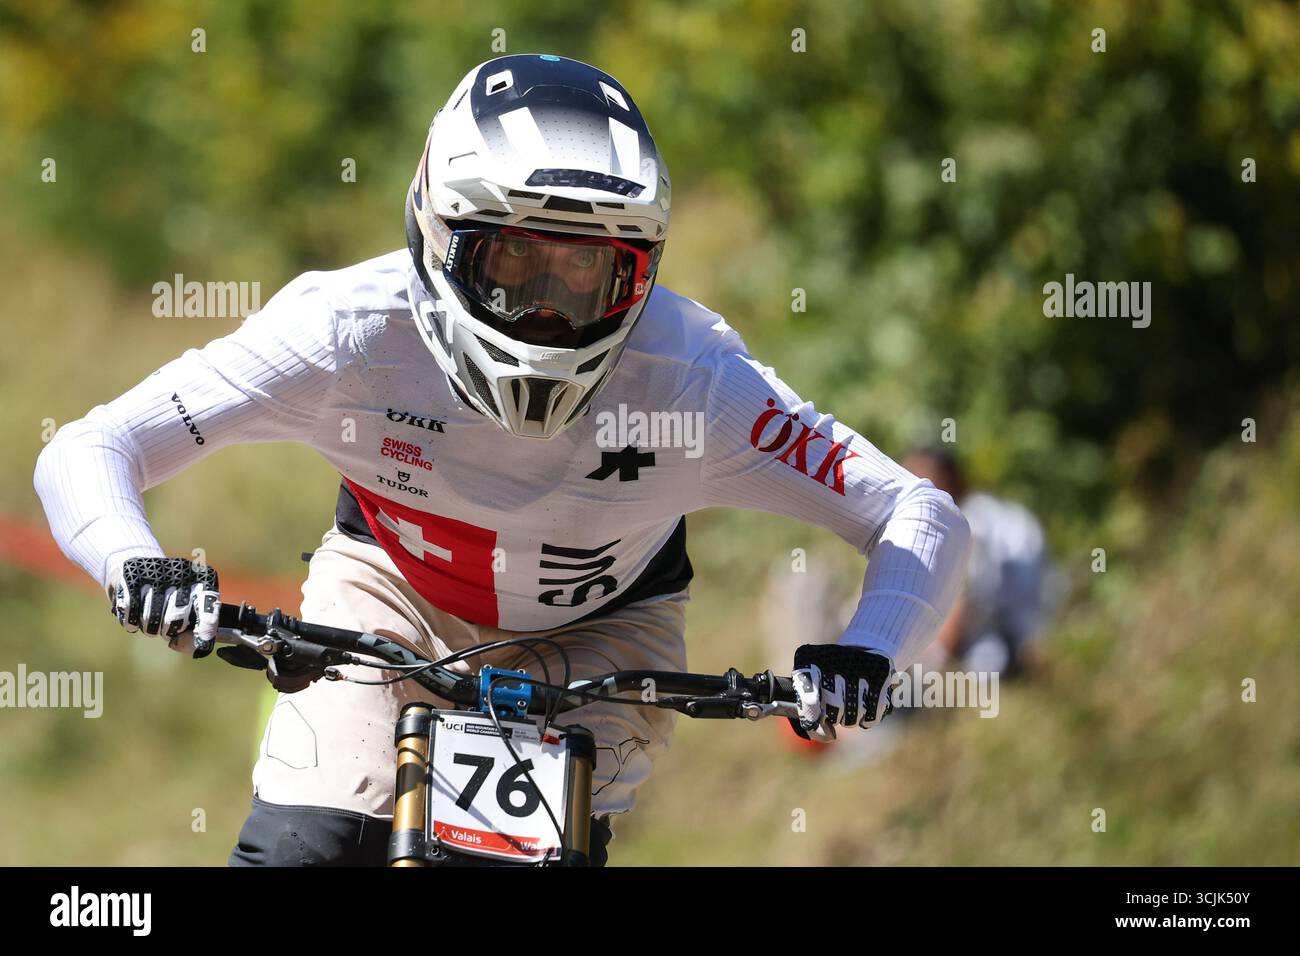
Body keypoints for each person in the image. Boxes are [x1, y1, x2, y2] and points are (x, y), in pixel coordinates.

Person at [34, 55, 970, 866]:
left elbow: (919, 516)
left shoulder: (697, 380)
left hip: (603, 635)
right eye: (513, 263)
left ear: (639, 273)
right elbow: (91, 447)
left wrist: (869, 654)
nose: (548, 314)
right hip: (387, 598)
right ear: (439, 240)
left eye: (585, 273)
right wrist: (135, 563)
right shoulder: (343, 332)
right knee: (305, 849)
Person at [902, 448, 1049, 677]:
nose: (910, 483)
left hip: (994, 645)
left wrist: (928, 663)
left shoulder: (968, 523)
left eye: (920, 475)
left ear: (948, 478)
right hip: (1010, 633)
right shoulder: (980, 511)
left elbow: (963, 603)